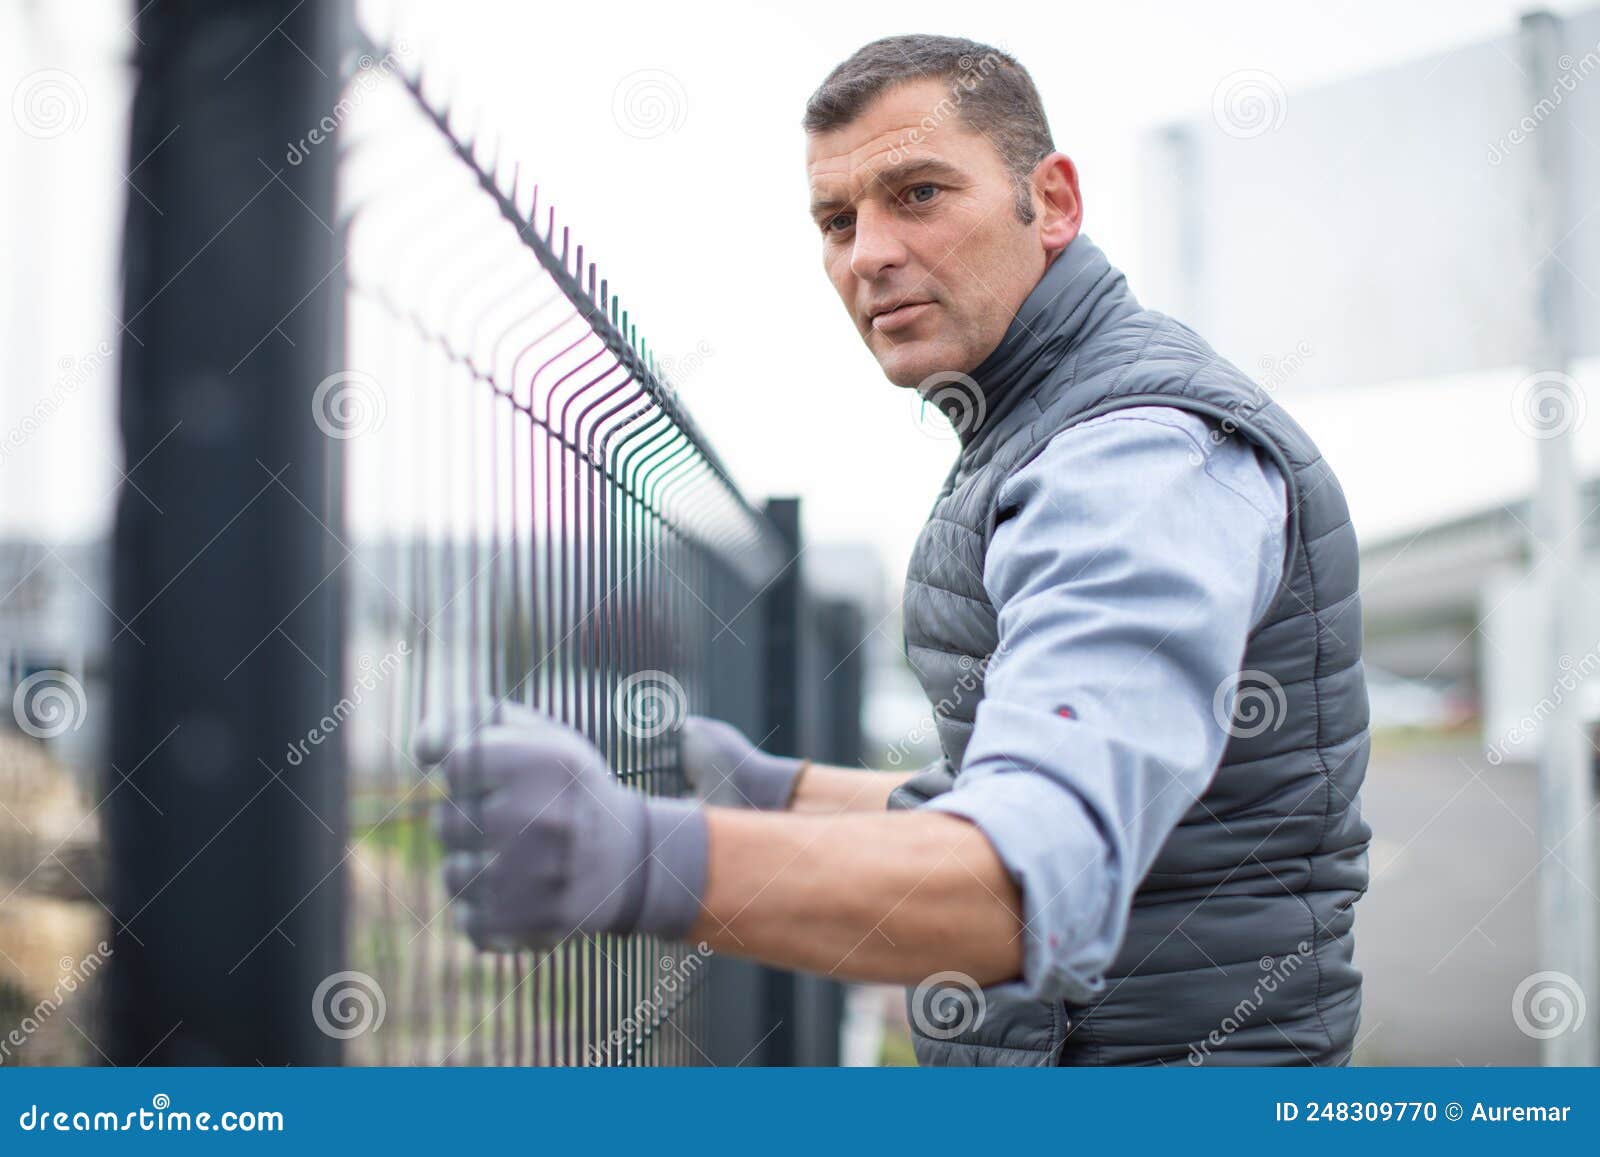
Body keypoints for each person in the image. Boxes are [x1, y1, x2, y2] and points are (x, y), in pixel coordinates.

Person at [419, 33, 1370, 1067]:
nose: (865, 252)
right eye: (836, 220)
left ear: (1050, 201)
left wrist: (646, 860)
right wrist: (781, 795)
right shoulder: (1037, 420)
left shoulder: (1134, 460)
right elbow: (1018, 789)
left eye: (916, 193)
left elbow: (1025, 878)